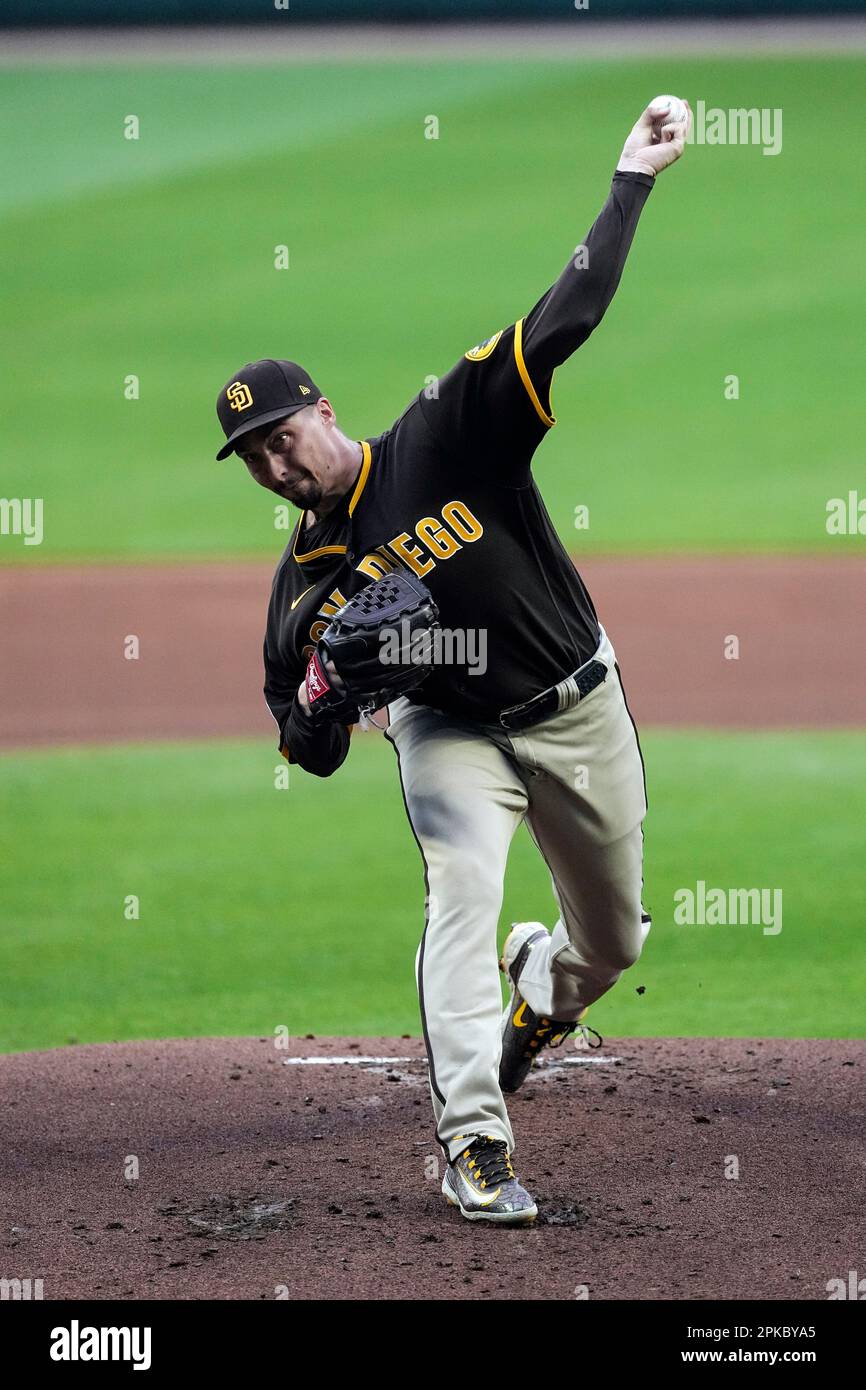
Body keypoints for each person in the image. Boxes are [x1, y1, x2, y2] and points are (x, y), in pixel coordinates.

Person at [214, 99, 691, 1224]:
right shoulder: (301, 593)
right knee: (460, 890)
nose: (276, 463)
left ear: (324, 411)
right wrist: (325, 698)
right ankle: (472, 1142)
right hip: (451, 736)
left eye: (283, 434)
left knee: (611, 939)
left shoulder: (447, 429)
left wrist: (631, 176)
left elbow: (563, 312)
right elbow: (304, 740)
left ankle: (541, 998)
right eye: (252, 457)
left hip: (577, 702)